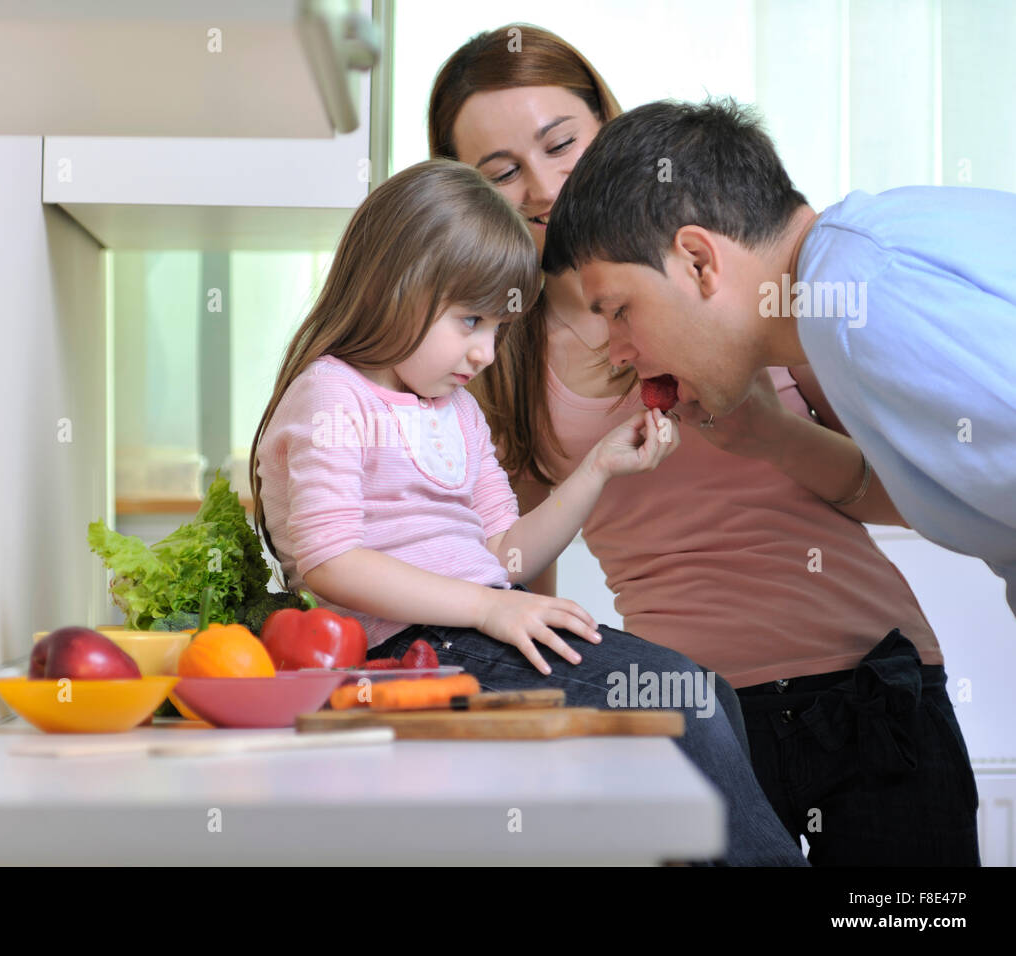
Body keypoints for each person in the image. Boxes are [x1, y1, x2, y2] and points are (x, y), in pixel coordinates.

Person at [431, 24, 980, 865]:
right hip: (691, 714)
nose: (543, 186)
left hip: (871, 687)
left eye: (561, 144)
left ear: (608, 131)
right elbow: (516, 570)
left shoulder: (763, 279)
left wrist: (771, 435)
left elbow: (897, 492)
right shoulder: (490, 351)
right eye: (502, 172)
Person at [249, 157, 808, 866]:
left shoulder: (453, 411)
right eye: (470, 321)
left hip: (476, 629)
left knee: (705, 696)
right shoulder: (333, 395)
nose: (485, 352)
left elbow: (505, 553)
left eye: (498, 328)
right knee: (687, 704)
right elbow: (331, 562)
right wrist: (488, 609)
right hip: (408, 653)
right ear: (397, 287)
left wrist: (599, 466)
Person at [543, 96, 1016, 621]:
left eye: (620, 310)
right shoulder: (857, 266)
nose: (618, 351)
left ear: (698, 262)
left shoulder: (859, 302)